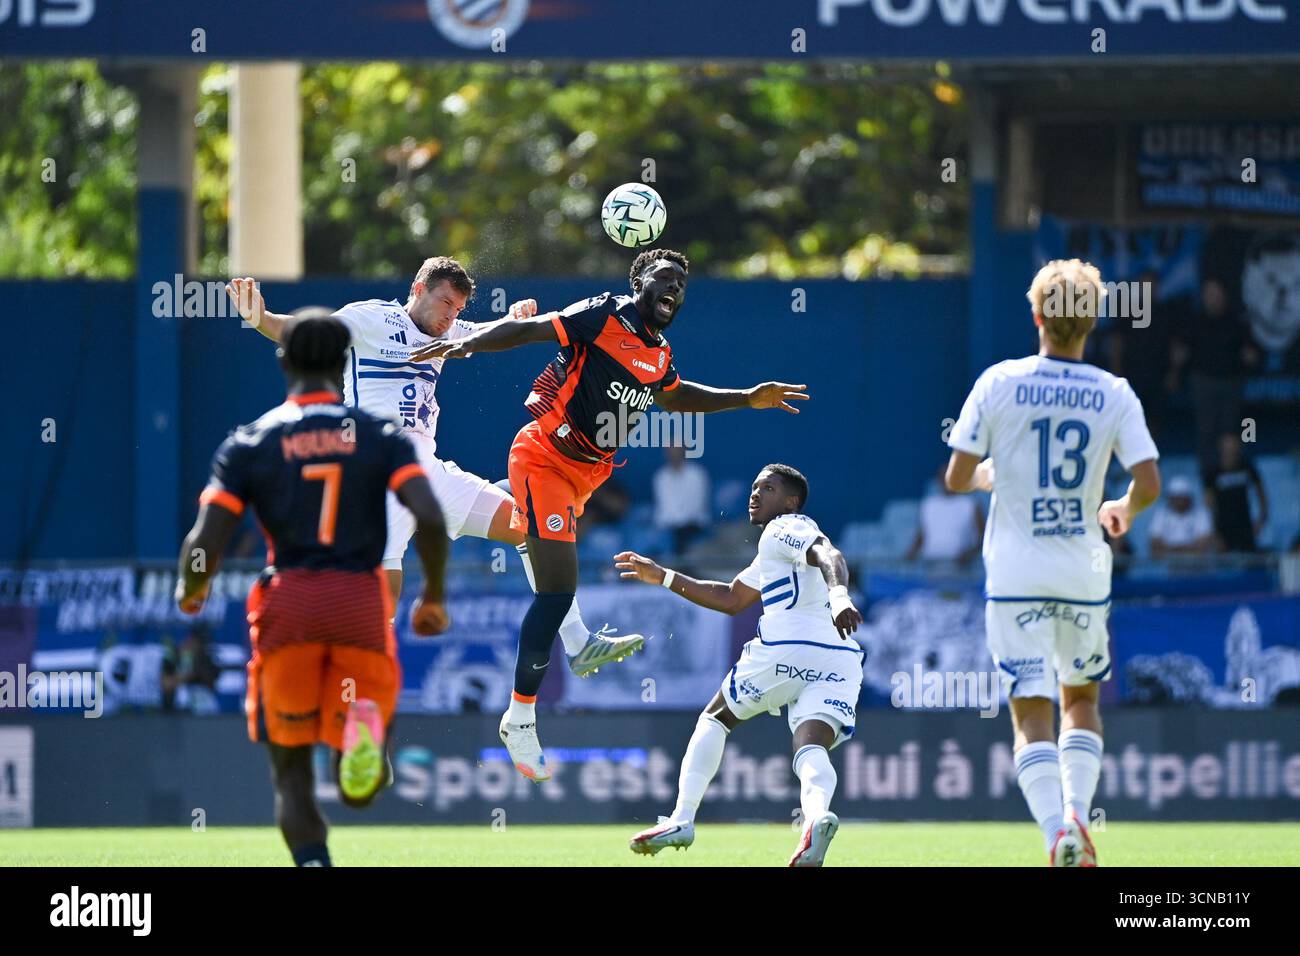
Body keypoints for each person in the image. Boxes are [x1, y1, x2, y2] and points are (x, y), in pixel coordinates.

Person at [411, 249, 809, 781]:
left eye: (681, 287)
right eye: (664, 280)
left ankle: (576, 642)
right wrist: (467, 343)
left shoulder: (659, 352)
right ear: (639, 281)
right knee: (555, 591)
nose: (674, 292)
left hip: (583, 477)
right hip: (544, 457)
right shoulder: (605, 314)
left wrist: (747, 398)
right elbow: (530, 332)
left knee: (527, 539)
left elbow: (677, 397)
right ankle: (520, 716)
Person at [225, 262, 643, 679]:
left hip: (430, 474)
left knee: (526, 525)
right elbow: (303, 336)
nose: (450, 316)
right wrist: (260, 318)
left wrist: (517, 318)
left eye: (458, 309)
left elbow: (492, 333)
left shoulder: (450, 333)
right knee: (384, 594)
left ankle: (578, 643)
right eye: (445, 302)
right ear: (418, 288)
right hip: (379, 474)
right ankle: (358, 704)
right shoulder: (370, 318)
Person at [174, 311, 451, 867]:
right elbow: (431, 517)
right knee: (360, 786)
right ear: (342, 360)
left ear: (284, 360)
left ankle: (315, 862)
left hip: (291, 606)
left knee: (291, 769)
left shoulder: (252, 441)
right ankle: (360, 730)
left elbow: (208, 536)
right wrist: (433, 595)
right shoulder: (379, 438)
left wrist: (192, 585)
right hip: (360, 604)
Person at [946, 259, 1161, 867]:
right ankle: (1077, 814)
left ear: (1036, 314)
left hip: (1014, 573)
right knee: (1081, 701)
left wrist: (990, 476)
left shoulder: (998, 381)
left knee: (1030, 710)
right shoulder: (1112, 392)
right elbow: (1148, 482)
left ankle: (1053, 835)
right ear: (1090, 320)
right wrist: (1122, 508)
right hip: (1082, 571)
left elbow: (958, 475)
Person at [615, 464, 863, 867]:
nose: (755, 494)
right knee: (812, 746)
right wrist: (663, 576)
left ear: (791, 501)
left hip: (785, 646)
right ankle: (816, 818)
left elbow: (828, 553)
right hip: (839, 656)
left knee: (715, 719)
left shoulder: (785, 527)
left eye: (767, 487)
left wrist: (839, 596)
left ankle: (682, 819)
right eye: (754, 487)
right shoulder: (775, 552)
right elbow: (731, 597)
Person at [904, 463, 984, 566]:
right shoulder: (928, 505)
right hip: (931, 567)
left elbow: (984, 538)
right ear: (938, 480)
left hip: (961, 572)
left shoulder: (971, 505)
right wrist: (910, 554)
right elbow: (922, 536)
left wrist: (969, 554)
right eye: (943, 477)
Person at [1205, 432, 1269, 553]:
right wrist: (1215, 533)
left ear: (1239, 446)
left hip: (1245, 526)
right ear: (1221, 447)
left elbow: (1261, 494)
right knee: (1224, 565)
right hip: (1223, 528)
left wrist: (1261, 520)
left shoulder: (1247, 467)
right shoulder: (1213, 471)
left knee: (1249, 562)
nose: (1231, 449)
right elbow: (1208, 503)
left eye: (1234, 445)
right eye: (1227, 446)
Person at [653, 445, 711, 555]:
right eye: (670, 450)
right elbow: (664, 508)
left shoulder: (697, 474)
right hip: (668, 528)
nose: (674, 453)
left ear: (683, 451)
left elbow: (696, 506)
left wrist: (678, 524)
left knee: (681, 535)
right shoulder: (661, 476)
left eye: (677, 449)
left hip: (694, 524)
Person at [1147, 475, 1215, 558]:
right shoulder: (1161, 513)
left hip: (1196, 566)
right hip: (1167, 566)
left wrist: (1171, 550)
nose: (1179, 502)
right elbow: (1155, 547)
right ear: (1170, 498)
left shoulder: (1201, 513)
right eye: (1175, 498)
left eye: (1182, 497)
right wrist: (1188, 549)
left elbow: (1202, 547)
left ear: (1188, 498)